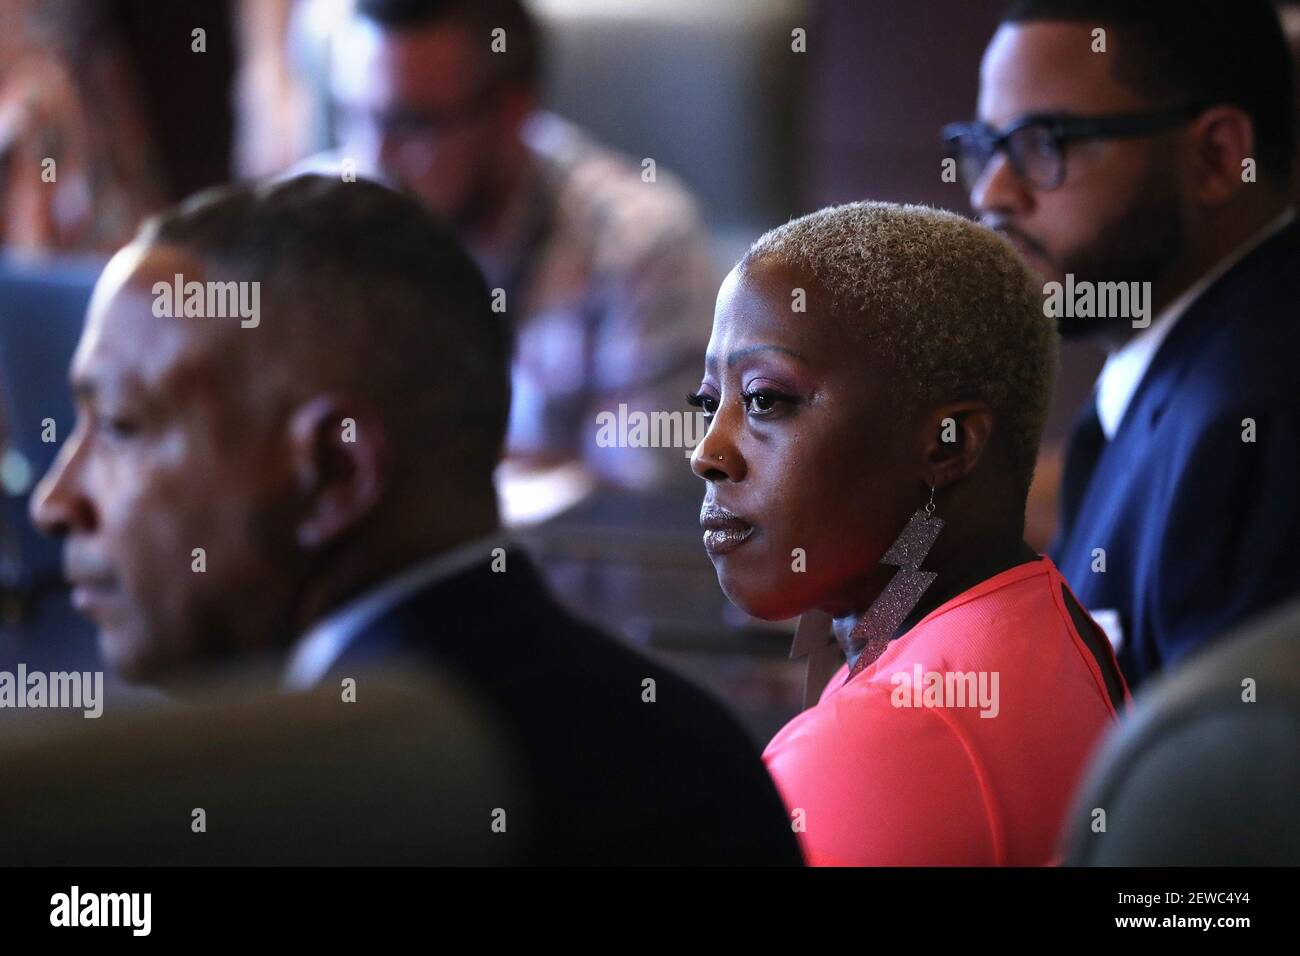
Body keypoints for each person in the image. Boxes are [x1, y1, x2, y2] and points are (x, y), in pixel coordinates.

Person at [28, 174, 801, 865]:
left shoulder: (306, 809)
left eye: (123, 425)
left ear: (335, 475)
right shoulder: (684, 743)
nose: (57, 502)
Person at [689, 202, 1128, 866]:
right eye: (708, 403)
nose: (707, 452)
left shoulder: (875, 744)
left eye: (764, 399)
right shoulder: (1045, 617)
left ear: (948, 445)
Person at [948, 0, 1300, 689]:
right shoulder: (1186, 366)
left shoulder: (1256, 420)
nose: (993, 192)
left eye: (1043, 141)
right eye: (983, 145)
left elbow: (1234, 783)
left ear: (1217, 157)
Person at [323, 0, 716, 490]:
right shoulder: (313, 226)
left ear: (511, 112)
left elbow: (643, 490)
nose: (370, 159)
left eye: (410, 124)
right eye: (350, 114)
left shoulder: (639, 244)